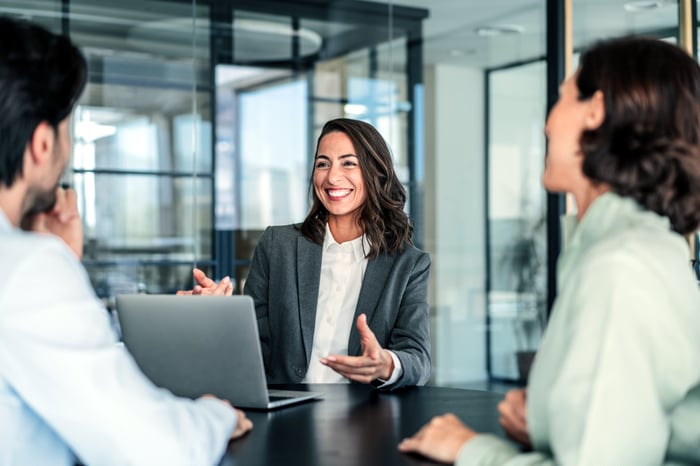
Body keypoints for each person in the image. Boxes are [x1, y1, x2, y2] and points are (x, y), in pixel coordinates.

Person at [399, 36, 700, 465]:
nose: (546, 123)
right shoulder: (632, 248)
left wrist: (472, 449)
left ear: (594, 112)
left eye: (561, 100)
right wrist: (550, 422)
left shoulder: (620, 265)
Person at [0, 16, 252, 466]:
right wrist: (214, 414)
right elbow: (158, 449)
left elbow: (54, 362)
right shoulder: (25, 268)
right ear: (41, 144)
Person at [184, 118, 431, 389]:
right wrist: (222, 315)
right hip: (284, 410)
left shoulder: (408, 264)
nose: (332, 177)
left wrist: (386, 363)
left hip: (363, 415)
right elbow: (252, 346)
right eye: (323, 163)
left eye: (348, 163)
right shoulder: (278, 245)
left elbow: (417, 358)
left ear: (376, 173)